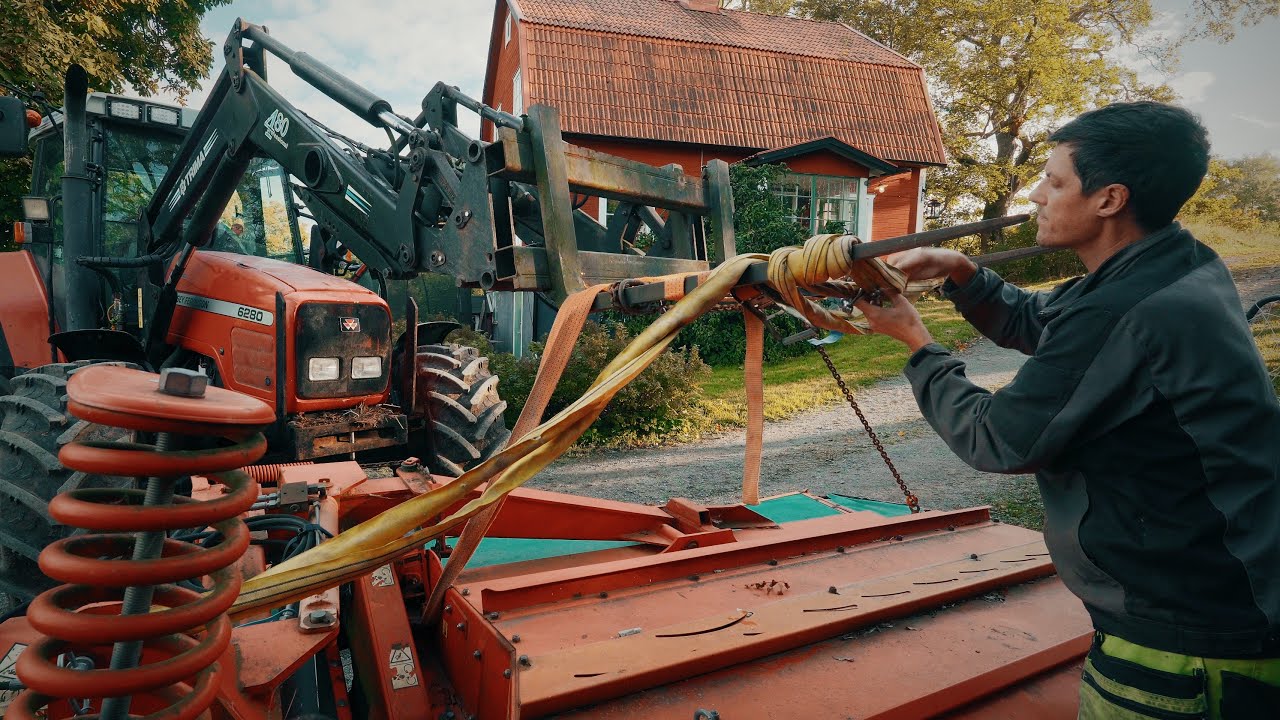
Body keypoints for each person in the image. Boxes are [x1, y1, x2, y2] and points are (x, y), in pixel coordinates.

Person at [855, 101, 1280, 718]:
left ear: (1110, 199)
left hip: (1188, 641)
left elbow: (998, 440)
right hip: (1226, 597)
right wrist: (963, 272)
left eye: (1054, 182)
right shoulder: (1173, 265)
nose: (1036, 195)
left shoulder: (1127, 307)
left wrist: (917, 345)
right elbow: (1047, 322)